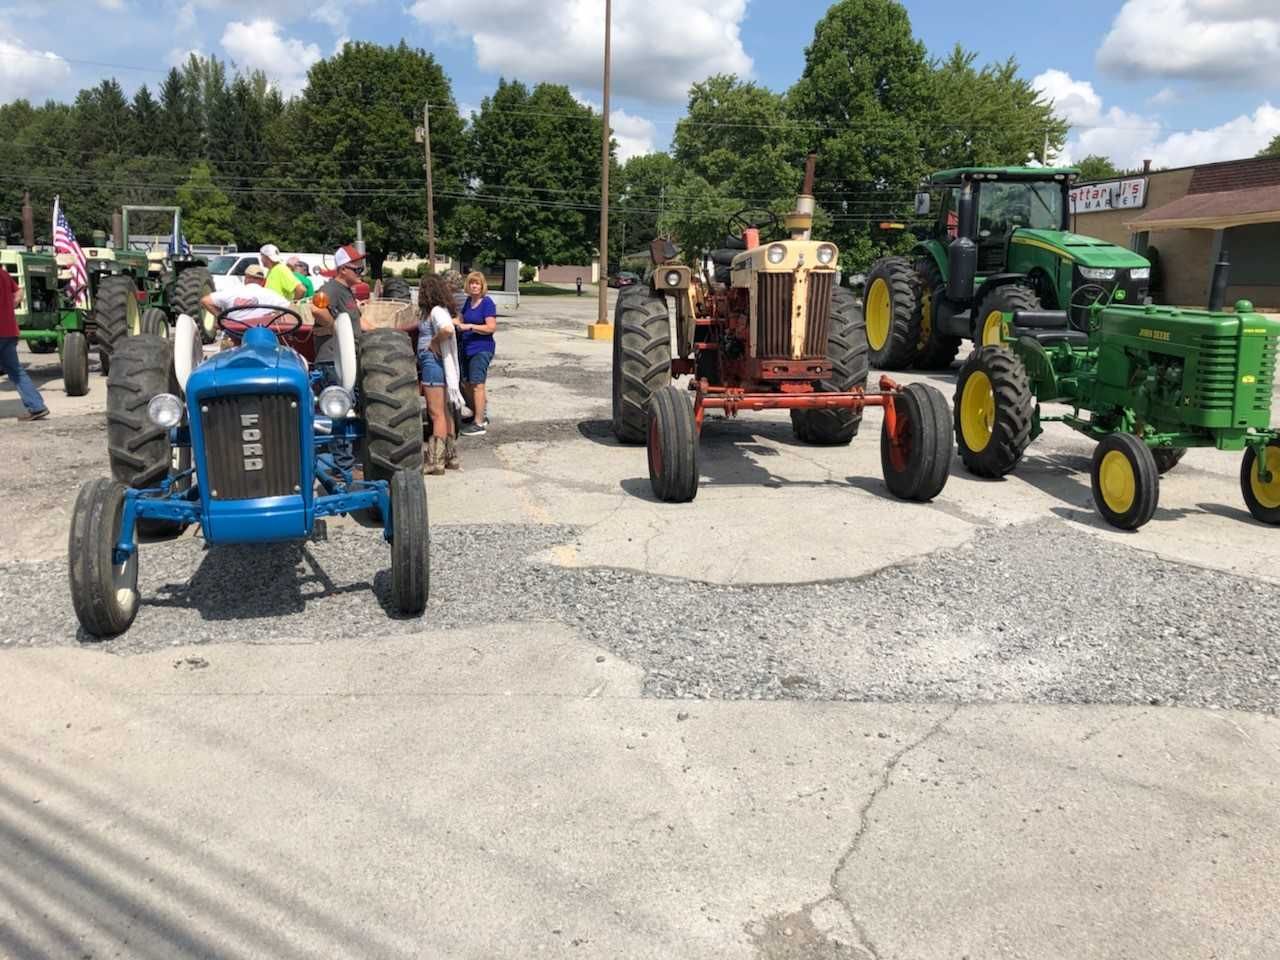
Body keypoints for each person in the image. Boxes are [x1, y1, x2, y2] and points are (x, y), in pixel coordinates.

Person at [310, 244, 368, 477]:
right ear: (343, 269)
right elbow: (316, 309)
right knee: (340, 411)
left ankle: (347, 462)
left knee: (349, 409)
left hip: (347, 360)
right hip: (333, 360)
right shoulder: (330, 289)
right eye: (358, 269)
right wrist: (336, 329)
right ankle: (343, 467)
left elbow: (358, 324)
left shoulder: (347, 293)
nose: (361, 273)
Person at [413, 273, 464, 474]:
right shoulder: (437, 310)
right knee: (445, 410)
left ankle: (436, 460)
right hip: (436, 363)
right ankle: (451, 456)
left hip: (432, 363)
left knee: (436, 413)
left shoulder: (435, 311)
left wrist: (433, 342)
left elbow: (447, 329)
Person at [0, 269, 48, 421]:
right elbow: (19, 292)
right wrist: (10, 305)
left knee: (16, 371)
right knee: (16, 372)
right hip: (9, 331)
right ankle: (37, 406)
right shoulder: (4, 274)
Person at [199, 264, 292, 340]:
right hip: (262, 337)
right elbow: (289, 309)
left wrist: (222, 317)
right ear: (264, 281)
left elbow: (205, 300)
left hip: (234, 336)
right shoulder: (272, 295)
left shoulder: (232, 291)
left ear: (246, 278)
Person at [457, 270, 497, 437]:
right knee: (466, 383)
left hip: (481, 348)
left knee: (477, 384)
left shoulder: (487, 302)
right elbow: (459, 320)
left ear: (482, 286)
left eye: (477, 283)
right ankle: (478, 414)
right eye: (472, 283)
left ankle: (479, 423)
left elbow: (491, 327)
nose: (474, 286)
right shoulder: (468, 301)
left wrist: (471, 326)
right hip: (467, 347)